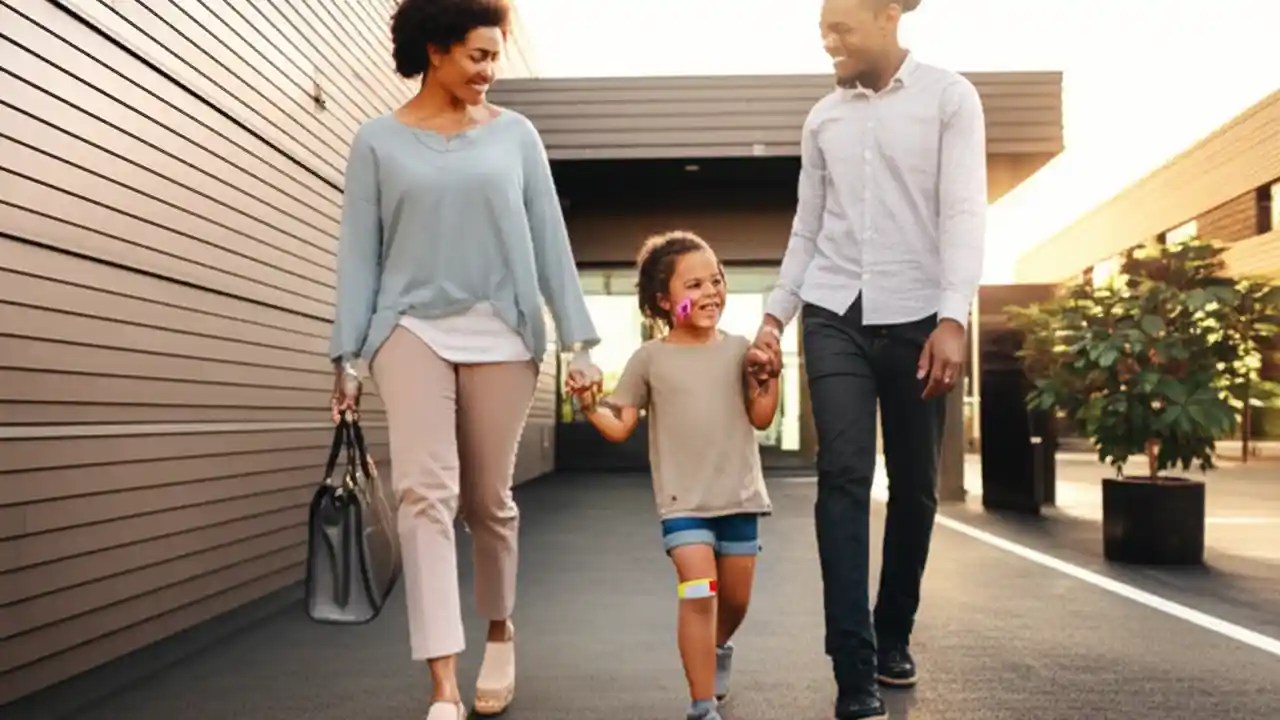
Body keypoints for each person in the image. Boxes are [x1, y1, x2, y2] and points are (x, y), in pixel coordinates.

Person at [326, 1, 601, 718]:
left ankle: (500, 628)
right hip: (408, 328)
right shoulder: (376, 142)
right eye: (479, 56)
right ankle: (443, 682)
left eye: (495, 56)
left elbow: (550, 240)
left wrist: (579, 342)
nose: (490, 70)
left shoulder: (516, 136)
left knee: (487, 502)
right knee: (425, 495)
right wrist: (347, 356)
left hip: (503, 329)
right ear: (436, 50)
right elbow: (359, 255)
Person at [750, 1, 987, 718]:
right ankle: (853, 670)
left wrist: (953, 318)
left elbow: (963, 211)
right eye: (823, 28)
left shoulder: (950, 98)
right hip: (834, 314)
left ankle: (893, 634)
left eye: (840, 27)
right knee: (844, 477)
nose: (829, 40)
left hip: (919, 318)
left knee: (915, 487)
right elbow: (808, 227)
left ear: (887, 16)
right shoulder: (823, 118)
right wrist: (774, 318)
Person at [569, 231, 779, 720]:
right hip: (683, 504)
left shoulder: (741, 350)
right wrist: (589, 406)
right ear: (665, 301)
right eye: (694, 285)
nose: (710, 293)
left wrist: (770, 379)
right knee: (700, 591)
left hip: (739, 498)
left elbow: (762, 416)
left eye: (716, 281)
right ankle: (702, 705)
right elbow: (620, 426)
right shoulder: (649, 359)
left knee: (735, 601)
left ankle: (716, 648)